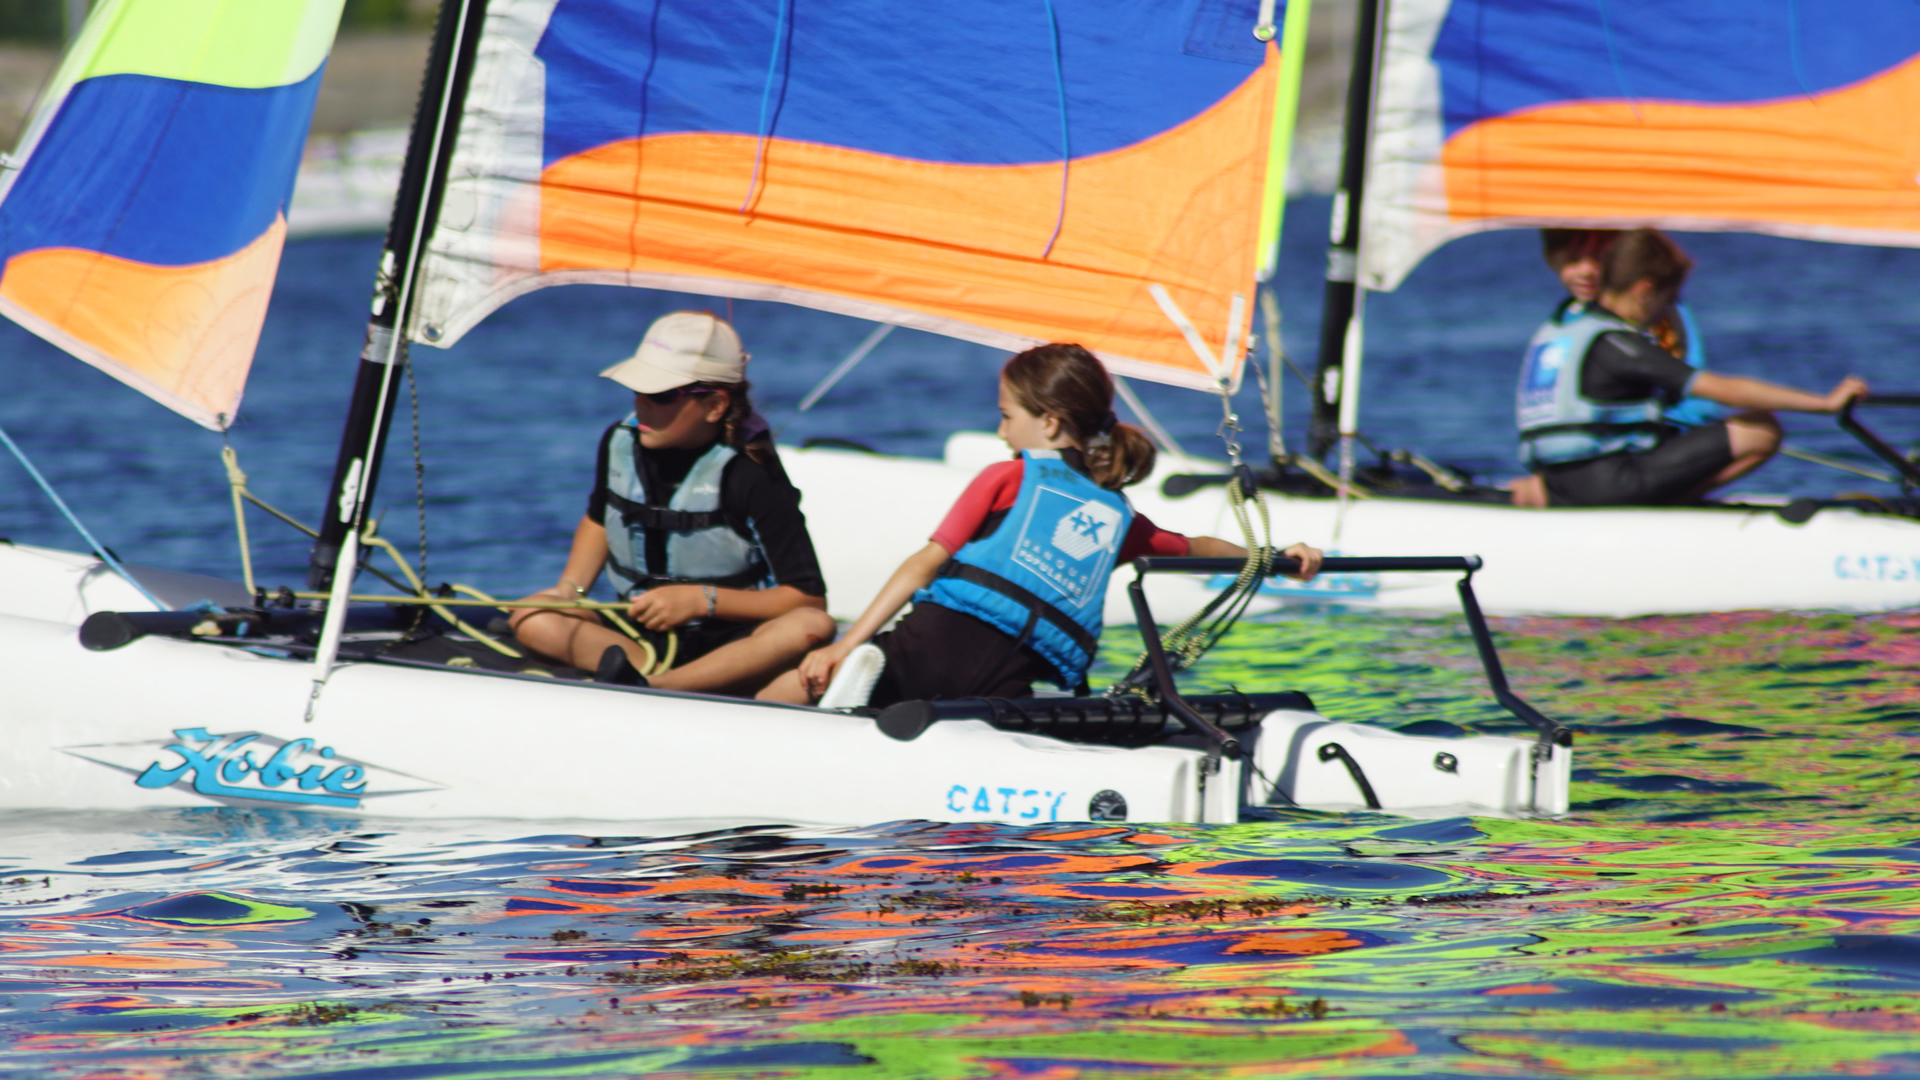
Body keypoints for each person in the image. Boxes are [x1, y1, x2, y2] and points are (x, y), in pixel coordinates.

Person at [757, 342, 1324, 707]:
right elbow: (1195, 547)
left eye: (1007, 416)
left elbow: (923, 563)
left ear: (1049, 423)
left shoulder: (1005, 477)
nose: (1003, 432)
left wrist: (844, 646)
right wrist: (1273, 560)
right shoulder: (1116, 517)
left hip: (915, 657)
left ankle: (838, 689)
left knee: (784, 695)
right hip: (1000, 691)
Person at [509, 311, 836, 695]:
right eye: (637, 388)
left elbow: (807, 596)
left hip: (730, 640)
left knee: (811, 626)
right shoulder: (619, 442)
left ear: (715, 405)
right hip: (638, 637)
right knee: (531, 616)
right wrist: (569, 590)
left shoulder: (752, 475)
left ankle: (661, 686)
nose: (642, 403)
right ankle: (641, 672)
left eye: (661, 394)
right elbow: (600, 519)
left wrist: (702, 601)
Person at [1510, 229, 1866, 508]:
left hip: (1557, 483)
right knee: (1762, 429)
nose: (1664, 314)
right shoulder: (1619, 343)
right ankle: (1667, 508)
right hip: (1610, 486)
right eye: (1665, 302)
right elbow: (1727, 390)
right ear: (1645, 292)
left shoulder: (1564, 327)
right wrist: (1824, 403)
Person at [1538, 228, 1733, 431]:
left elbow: (1690, 392)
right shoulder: (1566, 319)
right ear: (1551, 259)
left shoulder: (1655, 308)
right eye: (1572, 260)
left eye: (1598, 258)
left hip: (1666, 432)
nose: (1586, 271)